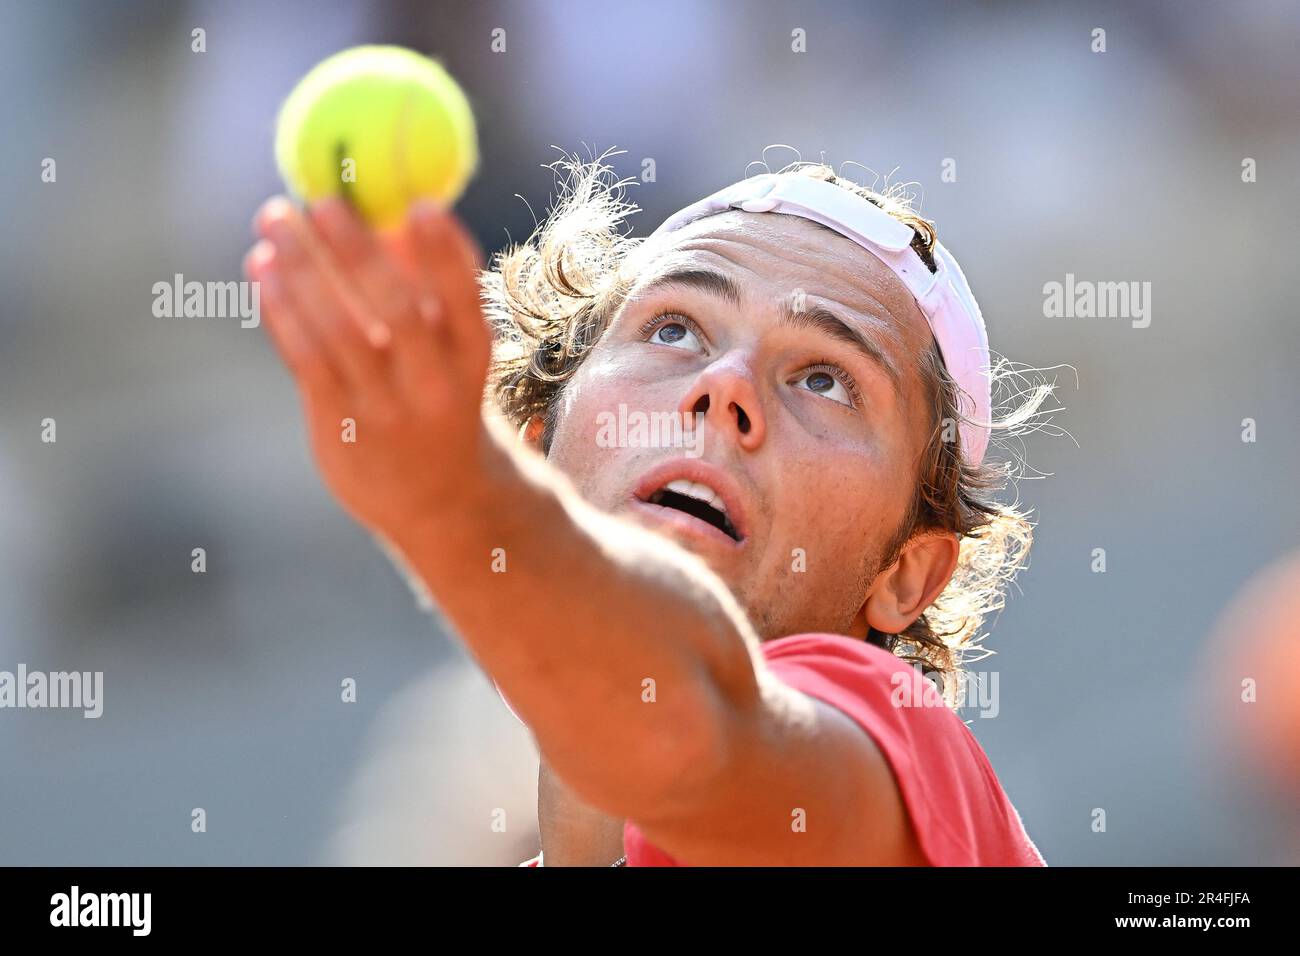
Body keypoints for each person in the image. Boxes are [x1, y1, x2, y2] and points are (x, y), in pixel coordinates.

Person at [243, 153, 1050, 866]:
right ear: (538, 449)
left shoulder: (904, 766)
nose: (725, 383)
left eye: (823, 379)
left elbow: (693, 735)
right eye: (673, 328)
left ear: (906, 576)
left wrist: (455, 495)